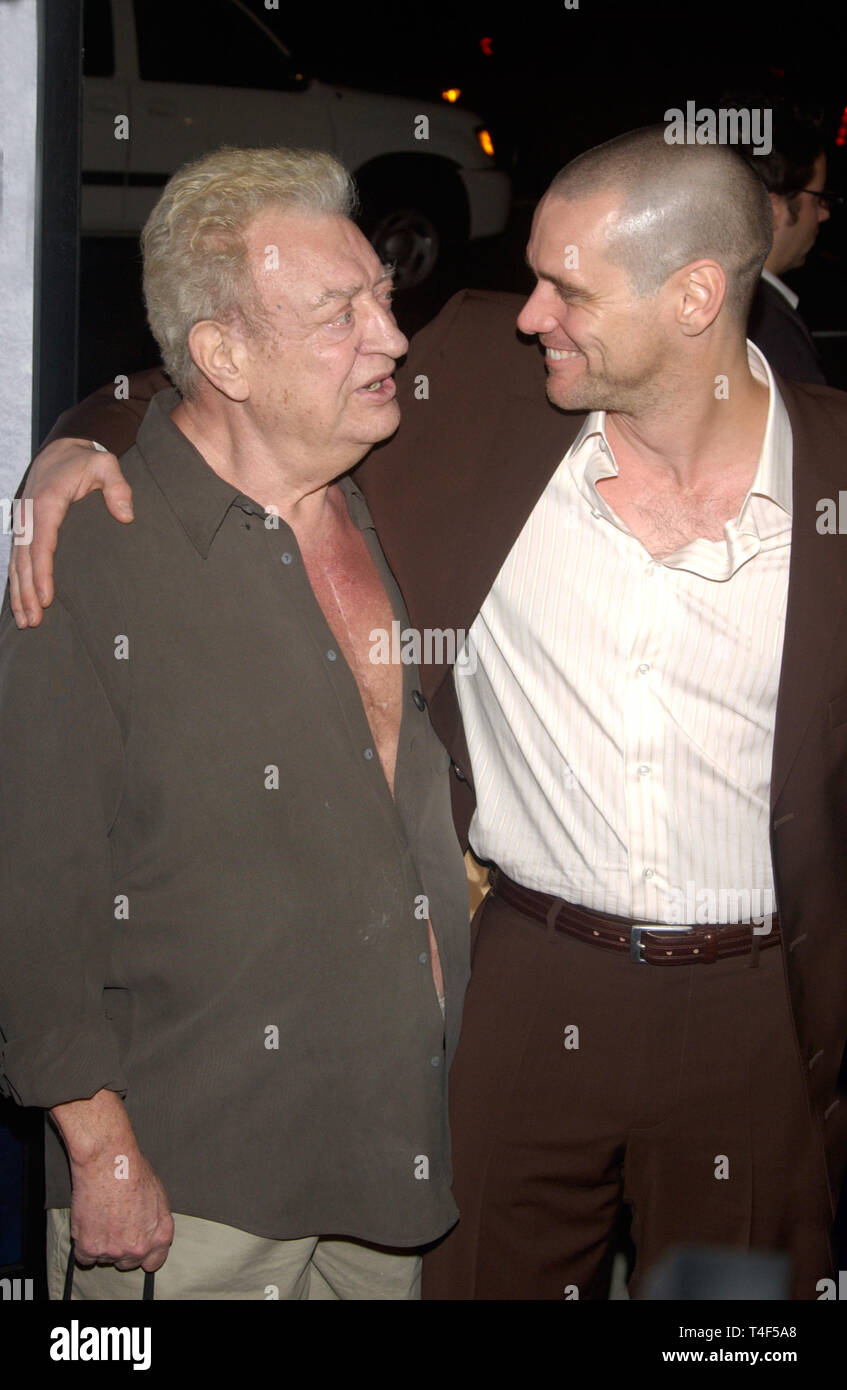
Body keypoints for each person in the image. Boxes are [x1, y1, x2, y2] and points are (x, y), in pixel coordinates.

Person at [11, 128, 847, 1301]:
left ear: (693, 296)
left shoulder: (833, 473)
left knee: (730, 1315)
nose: (527, 313)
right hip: (525, 982)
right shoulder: (490, 395)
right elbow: (219, 391)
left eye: (566, 288)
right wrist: (67, 451)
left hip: (755, 1004)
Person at [0, 145, 471, 1300]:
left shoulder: (386, 488)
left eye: (382, 298)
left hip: (390, 1155)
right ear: (223, 355)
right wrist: (99, 1146)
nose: (392, 338)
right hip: (188, 1181)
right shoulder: (90, 552)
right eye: (339, 314)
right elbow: (34, 880)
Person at [730, 96, 834, 384]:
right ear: (772, 210)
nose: (824, 214)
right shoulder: (770, 330)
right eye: (818, 198)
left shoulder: (713, 303)